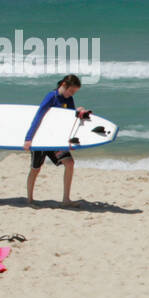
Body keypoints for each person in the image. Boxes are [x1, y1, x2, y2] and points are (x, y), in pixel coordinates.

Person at [24, 74, 91, 206]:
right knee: (36, 169)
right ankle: (30, 200)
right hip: (41, 140)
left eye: (74, 92)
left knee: (69, 163)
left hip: (56, 141)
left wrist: (79, 111)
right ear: (64, 85)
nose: (71, 94)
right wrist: (29, 138)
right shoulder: (51, 97)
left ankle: (66, 199)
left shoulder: (69, 99)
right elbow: (38, 116)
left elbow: (69, 119)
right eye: (71, 91)